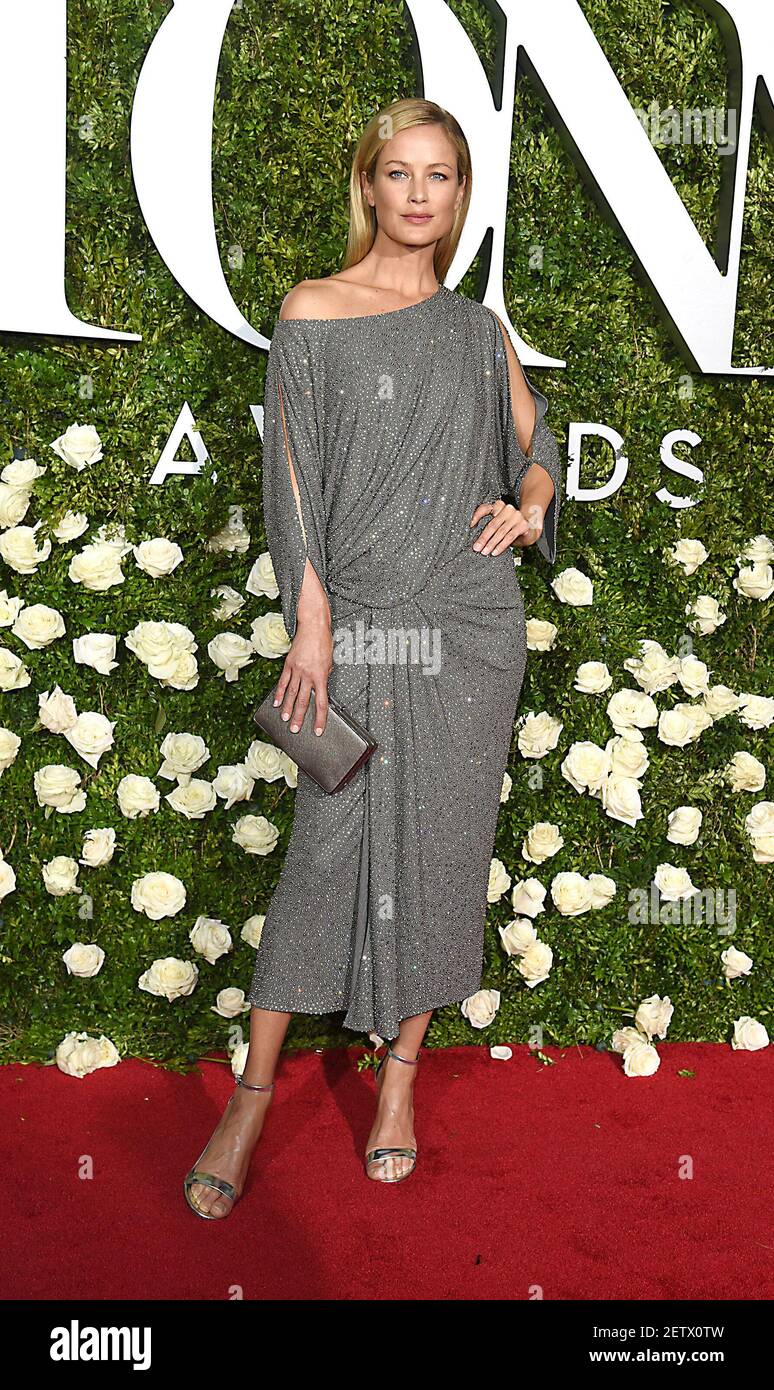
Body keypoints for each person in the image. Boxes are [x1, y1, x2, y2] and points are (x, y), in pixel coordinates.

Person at [184, 96, 562, 1218]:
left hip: (467, 629)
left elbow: (536, 447)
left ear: (458, 197)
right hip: (352, 624)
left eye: (438, 175)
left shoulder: (472, 331)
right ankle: (251, 1096)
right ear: (369, 185)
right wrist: (312, 619)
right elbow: (289, 483)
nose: (415, 193)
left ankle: (397, 1083)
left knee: (443, 853)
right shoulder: (311, 310)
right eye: (397, 172)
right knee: (322, 853)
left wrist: (529, 503)